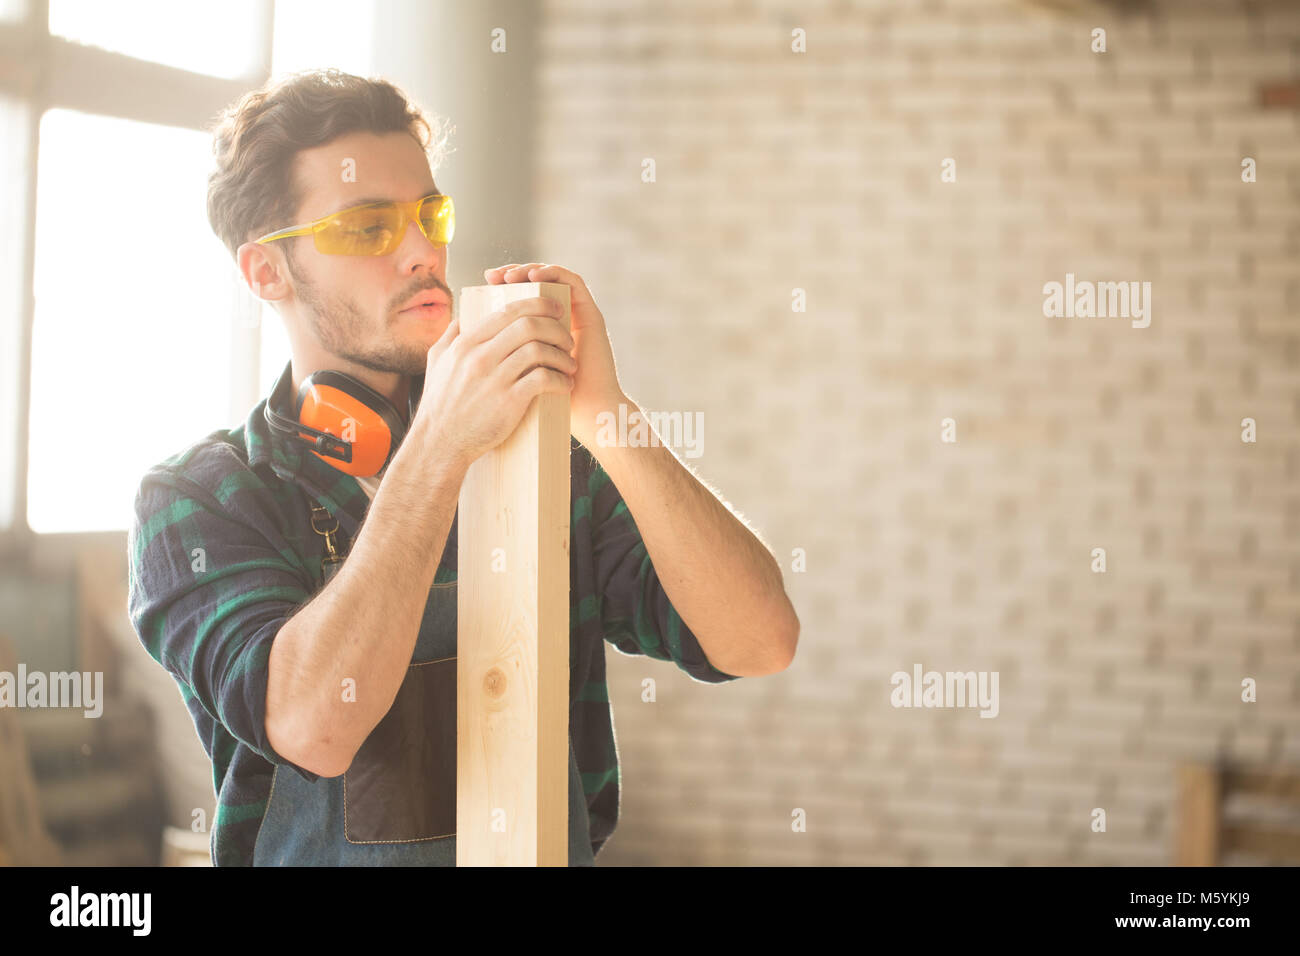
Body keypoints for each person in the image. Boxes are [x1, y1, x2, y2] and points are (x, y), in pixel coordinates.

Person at [126, 68, 798, 866]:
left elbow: (759, 641)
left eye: (429, 214)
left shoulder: (539, 457)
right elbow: (314, 724)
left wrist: (603, 414)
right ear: (266, 273)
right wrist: (438, 447)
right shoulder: (201, 500)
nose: (422, 251)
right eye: (369, 227)